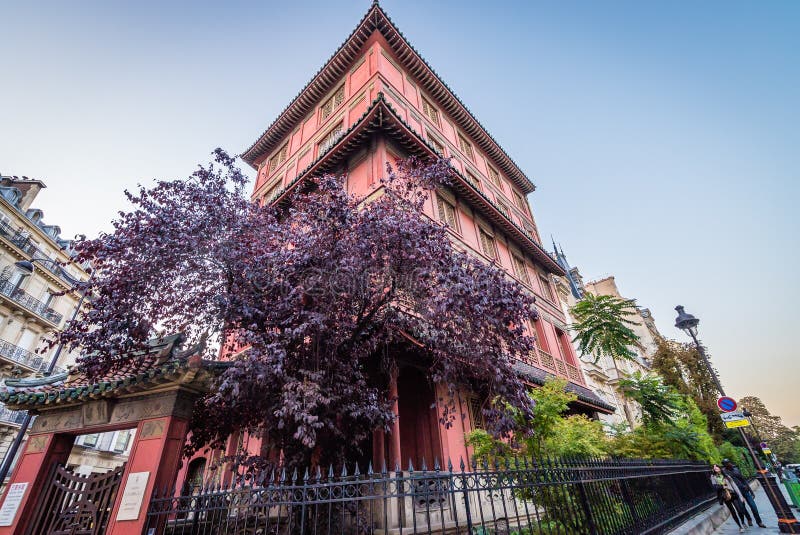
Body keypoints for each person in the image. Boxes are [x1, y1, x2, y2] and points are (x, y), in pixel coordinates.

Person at [724, 458, 767, 528]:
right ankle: (749, 518)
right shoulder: (725, 473)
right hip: (737, 493)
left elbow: (743, 480)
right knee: (742, 508)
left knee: (753, 507)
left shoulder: (736, 469)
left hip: (745, 490)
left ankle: (759, 522)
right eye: (726, 463)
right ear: (724, 465)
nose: (728, 464)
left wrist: (751, 490)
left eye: (728, 462)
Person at [711, 463, 747, 532]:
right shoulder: (713, 477)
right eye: (715, 469)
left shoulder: (726, 476)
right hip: (724, 496)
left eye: (717, 468)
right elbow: (714, 487)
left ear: (720, 468)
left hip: (732, 494)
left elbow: (734, 486)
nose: (716, 469)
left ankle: (742, 522)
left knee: (739, 510)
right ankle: (740, 526)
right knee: (733, 512)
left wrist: (741, 496)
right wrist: (722, 486)